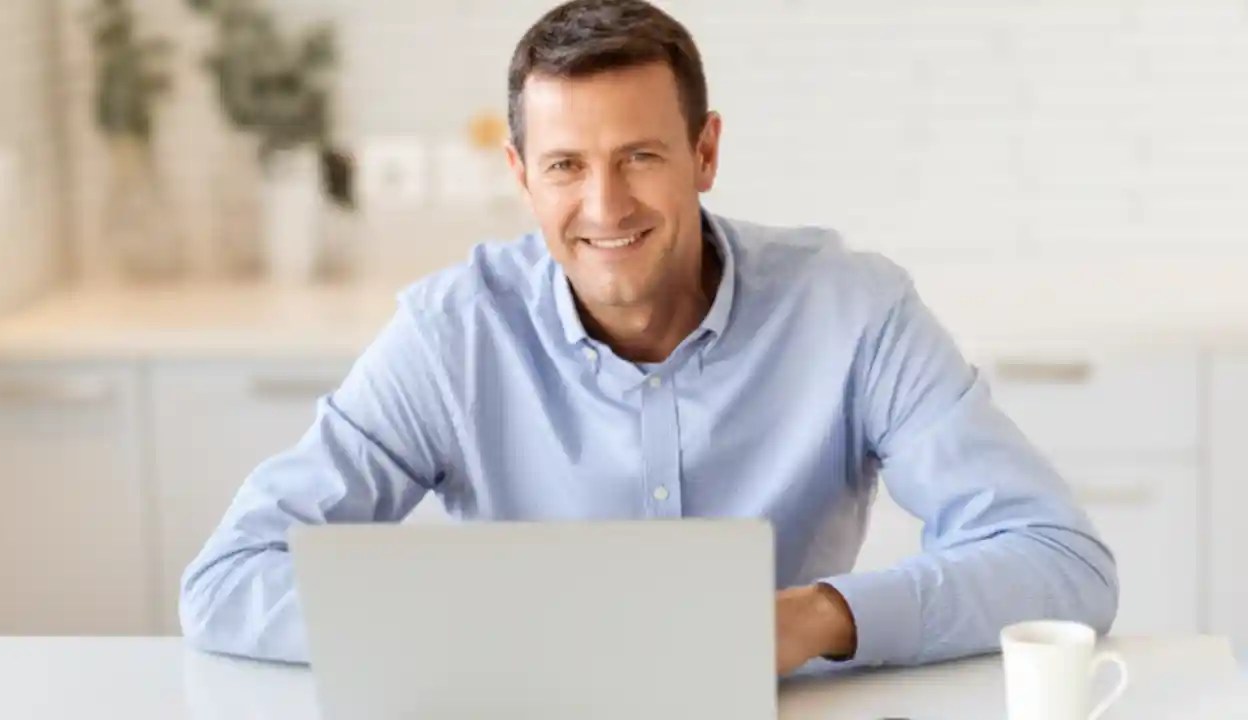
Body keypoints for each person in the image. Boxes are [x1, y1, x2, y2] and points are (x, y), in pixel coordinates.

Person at [180, 0, 1117, 674]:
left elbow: (1060, 563)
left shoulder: (853, 311)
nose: (605, 206)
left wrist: (815, 619)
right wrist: (488, 630)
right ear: (520, 174)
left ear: (704, 152)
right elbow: (227, 583)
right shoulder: (450, 335)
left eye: (639, 157)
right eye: (565, 166)